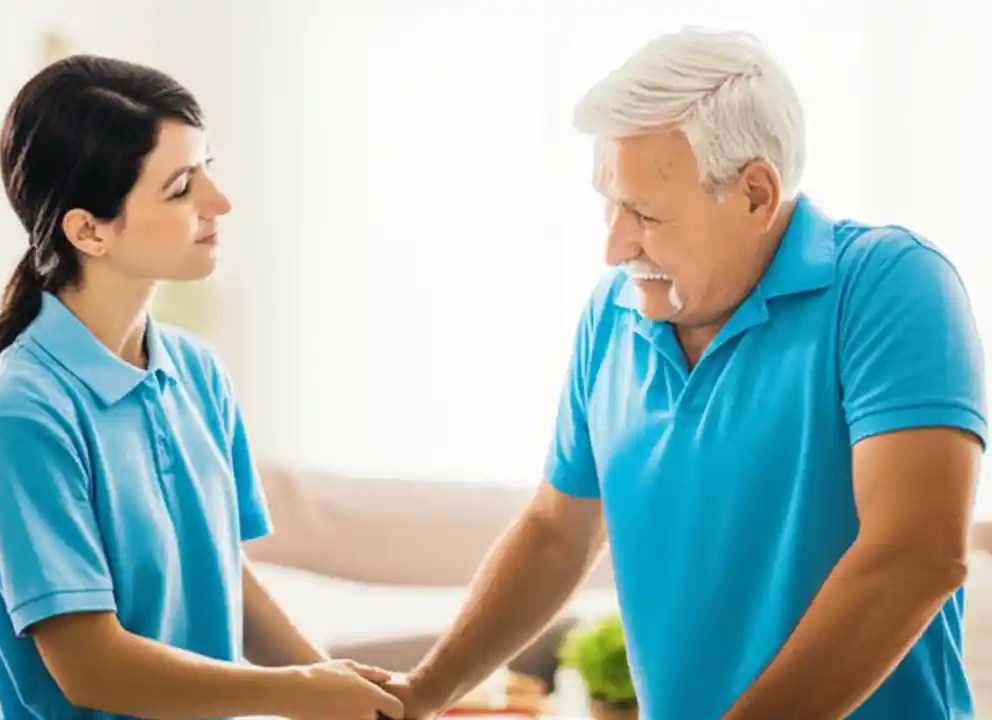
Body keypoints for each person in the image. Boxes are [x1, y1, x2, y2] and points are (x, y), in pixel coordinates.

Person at [384, 28, 986, 720]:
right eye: (609, 205)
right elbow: (558, 532)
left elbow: (917, 554)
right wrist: (420, 694)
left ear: (756, 194)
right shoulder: (611, 316)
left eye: (644, 213)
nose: (615, 246)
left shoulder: (888, 284)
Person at [0, 55, 405, 720]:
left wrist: (340, 686)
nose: (219, 202)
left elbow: (226, 577)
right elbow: (92, 668)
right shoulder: (18, 418)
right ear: (88, 230)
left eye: (207, 169)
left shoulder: (197, 372)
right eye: (182, 186)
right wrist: (300, 693)